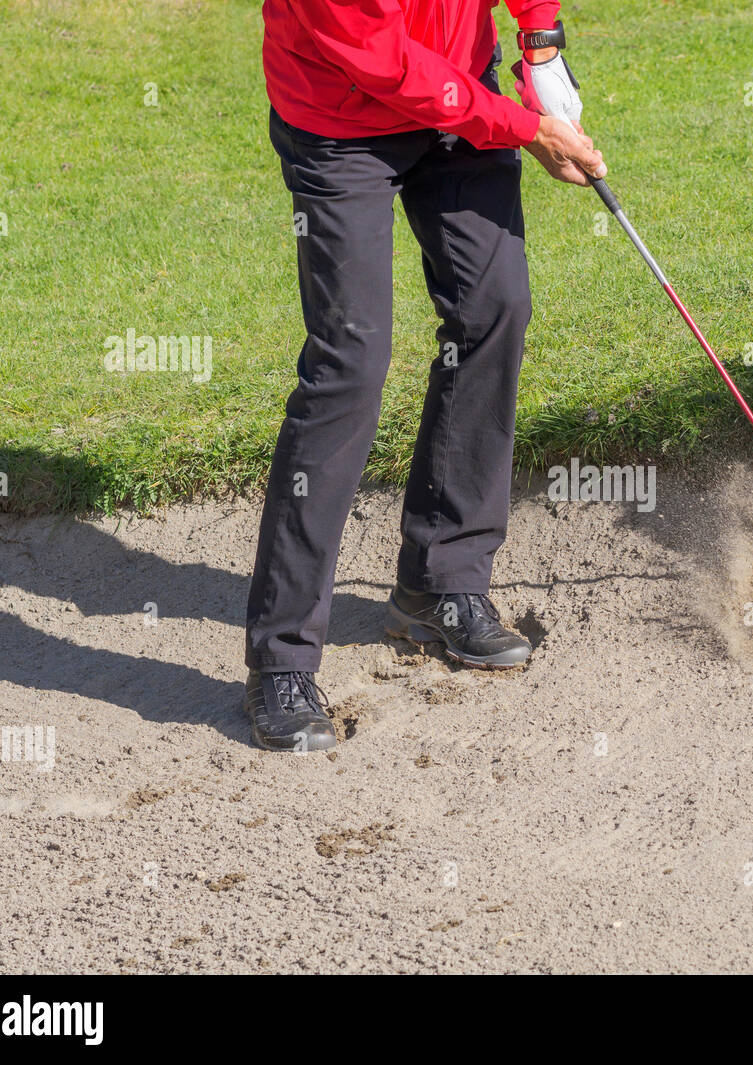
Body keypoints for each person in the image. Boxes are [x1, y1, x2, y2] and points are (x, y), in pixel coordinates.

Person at [243, 1, 605, 751]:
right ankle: (280, 659)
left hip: (456, 94)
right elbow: (386, 62)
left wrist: (540, 41)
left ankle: (441, 581)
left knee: (495, 305)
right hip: (338, 120)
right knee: (350, 362)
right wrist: (524, 127)